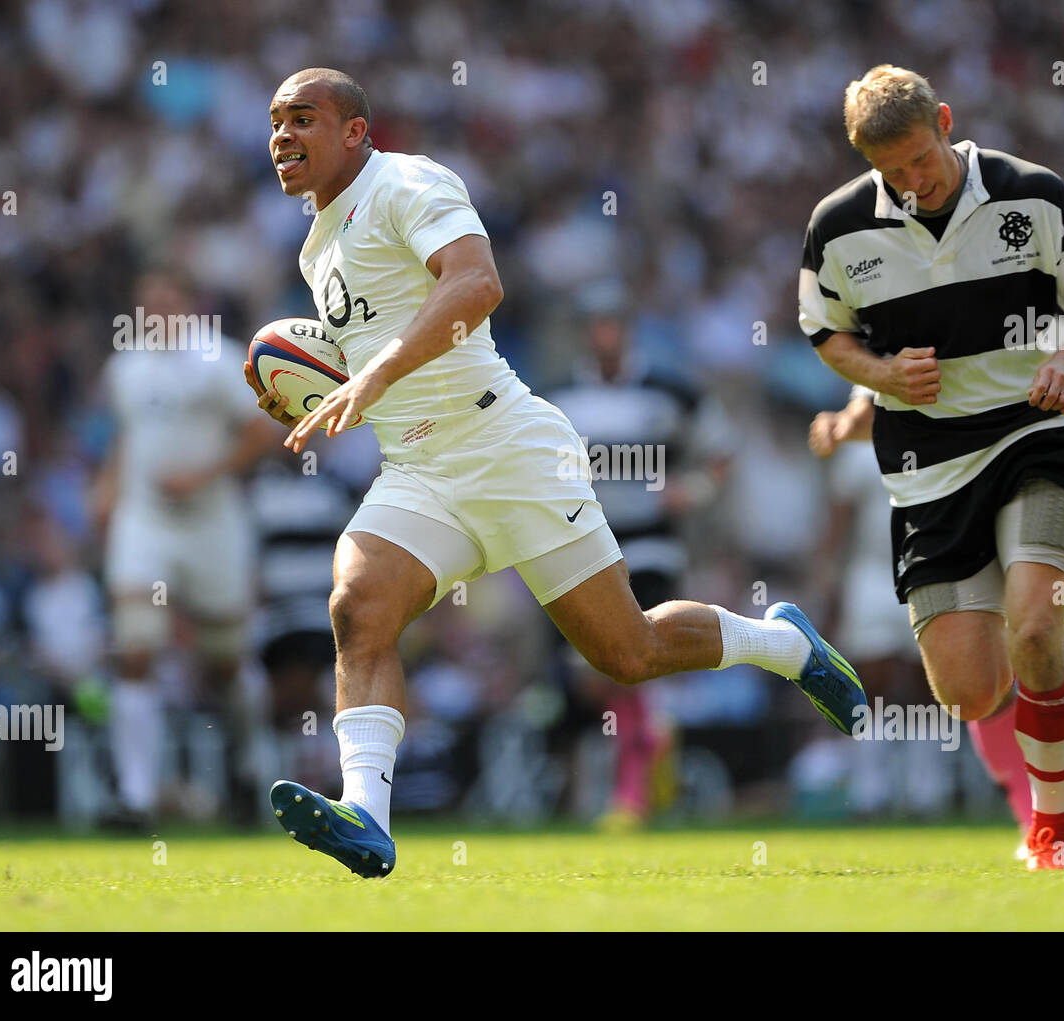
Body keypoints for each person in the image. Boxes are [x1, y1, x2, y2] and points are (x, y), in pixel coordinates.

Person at [247, 68, 863, 877]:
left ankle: (784, 644)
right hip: (420, 468)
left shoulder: (408, 180)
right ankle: (368, 814)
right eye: (274, 123)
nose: (282, 136)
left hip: (507, 447)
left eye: (303, 118)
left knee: (627, 653)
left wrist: (378, 373)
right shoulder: (316, 244)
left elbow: (477, 283)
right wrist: (325, 391)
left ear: (356, 131)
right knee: (357, 607)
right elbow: (370, 358)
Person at [798, 65, 1064, 869]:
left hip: (1032, 436)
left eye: (921, 159)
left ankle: (1050, 834)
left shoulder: (1033, 193)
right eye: (892, 172)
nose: (913, 182)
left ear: (945, 121)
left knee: (1032, 625)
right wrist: (879, 379)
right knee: (970, 692)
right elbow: (826, 332)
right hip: (926, 470)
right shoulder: (837, 227)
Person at [809, 353, 1064, 847]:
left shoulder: (1024, 313)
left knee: (1018, 654)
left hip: (999, 512)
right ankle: (885, 791)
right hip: (906, 553)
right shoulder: (901, 330)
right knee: (963, 686)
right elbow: (870, 402)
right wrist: (843, 426)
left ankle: (1020, 816)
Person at [544, 287, 733, 828]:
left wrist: (690, 490)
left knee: (633, 655)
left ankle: (631, 790)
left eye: (613, 324)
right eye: (595, 325)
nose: (604, 335)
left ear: (626, 329)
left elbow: (720, 450)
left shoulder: (669, 390)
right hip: (584, 546)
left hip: (649, 540)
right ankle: (650, 742)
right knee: (593, 672)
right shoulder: (557, 396)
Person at [95, 270, 278, 825]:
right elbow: (130, 436)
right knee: (135, 649)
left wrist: (203, 475)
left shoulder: (220, 361)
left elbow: (261, 432)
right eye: (148, 302)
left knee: (224, 662)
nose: (157, 311)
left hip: (211, 523)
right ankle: (136, 798)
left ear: (189, 303)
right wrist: (106, 487)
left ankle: (254, 767)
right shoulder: (124, 368)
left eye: (167, 300)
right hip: (145, 519)